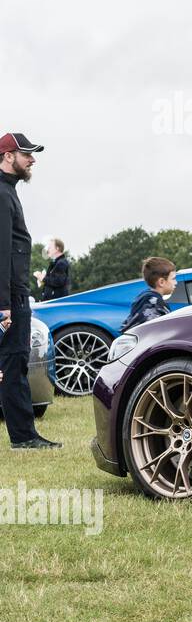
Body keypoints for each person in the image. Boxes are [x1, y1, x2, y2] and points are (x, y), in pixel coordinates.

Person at [0, 132, 61, 449]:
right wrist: (5, 303)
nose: (32, 159)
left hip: (15, 295)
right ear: (8, 156)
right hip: (11, 298)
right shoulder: (1, 193)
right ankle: (23, 437)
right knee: (13, 364)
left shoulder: (8, 191)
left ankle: (25, 435)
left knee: (14, 364)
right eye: (27, 154)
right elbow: (2, 251)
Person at [121, 258, 177, 332]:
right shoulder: (154, 304)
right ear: (161, 282)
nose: (175, 282)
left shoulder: (144, 297)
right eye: (173, 279)